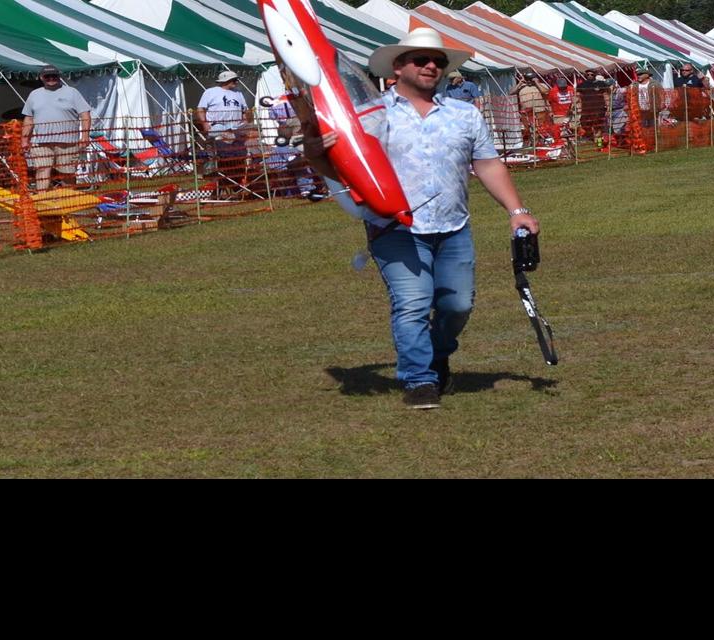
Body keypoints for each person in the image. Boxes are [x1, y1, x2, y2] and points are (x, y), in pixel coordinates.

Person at [303, 28, 539, 410]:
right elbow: (337, 165)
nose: (432, 66)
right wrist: (312, 153)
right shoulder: (370, 115)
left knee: (458, 304)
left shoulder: (465, 114)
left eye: (439, 62)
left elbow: (487, 164)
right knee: (412, 304)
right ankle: (420, 380)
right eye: (422, 59)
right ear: (398, 67)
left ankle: (437, 353)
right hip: (395, 228)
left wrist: (517, 211)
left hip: (453, 226)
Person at [22, 64, 91, 190]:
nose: (51, 78)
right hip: (40, 142)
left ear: (59, 77)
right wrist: (25, 139)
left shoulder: (72, 92)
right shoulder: (34, 94)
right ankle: (42, 200)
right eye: (47, 76)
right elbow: (29, 118)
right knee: (42, 170)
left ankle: (68, 200)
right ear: (41, 77)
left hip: (68, 142)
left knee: (67, 172)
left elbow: (85, 114)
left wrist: (85, 136)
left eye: (54, 76)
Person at [195, 70, 256, 190]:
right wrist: (205, 123)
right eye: (234, 80)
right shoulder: (210, 92)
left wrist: (245, 119)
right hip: (217, 126)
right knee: (221, 151)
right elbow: (201, 108)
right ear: (225, 81)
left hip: (235, 127)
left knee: (238, 150)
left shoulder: (238, 93)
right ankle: (214, 175)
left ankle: (234, 177)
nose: (236, 82)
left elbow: (245, 110)